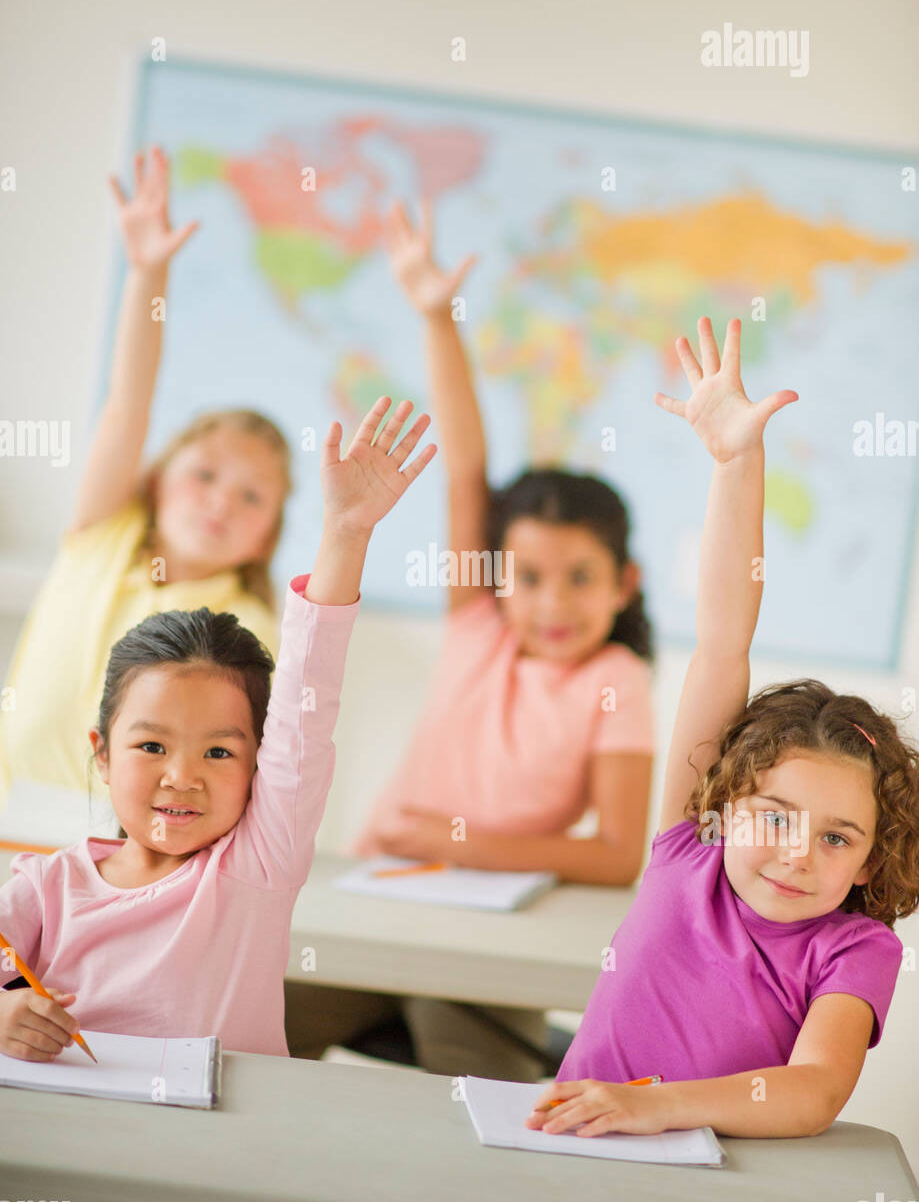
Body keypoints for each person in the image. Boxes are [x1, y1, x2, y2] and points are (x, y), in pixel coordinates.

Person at [285, 203, 655, 1081]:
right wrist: (434, 316)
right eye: (528, 577)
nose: (551, 602)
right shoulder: (476, 624)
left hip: (496, 927)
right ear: (498, 578)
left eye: (579, 579)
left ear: (622, 585)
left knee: (466, 1084)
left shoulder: (616, 679)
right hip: (377, 899)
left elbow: (614, 856)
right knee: (264, 1025)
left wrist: (462, 845)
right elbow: (463, 467)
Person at [526, 317, 919, 1140]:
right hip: (566, 1158)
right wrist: (737, 463)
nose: (796, 853)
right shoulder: (686, 850)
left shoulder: (856, 951)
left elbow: (813, 1090)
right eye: (773, 815)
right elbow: (720, 643)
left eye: (838, 838)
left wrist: (651, 1104)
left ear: (873, 855)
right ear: (726, 802)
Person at [0, 397, 435, 1060]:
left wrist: (345, 534)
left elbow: (304, 707)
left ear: (259, 766)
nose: (182, 775)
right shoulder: (41, 888)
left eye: (218, 751)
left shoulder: (255, 869)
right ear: (103, 754)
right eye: (150, 746)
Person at [0, 147, 291, 812]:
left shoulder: (246, 630)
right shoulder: (104, 537)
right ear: (158, 483)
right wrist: (147, 275)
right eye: (205, 474)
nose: (221, 499)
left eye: (251, 496)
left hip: (120, 856)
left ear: (265, 537)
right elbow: (127, 406)